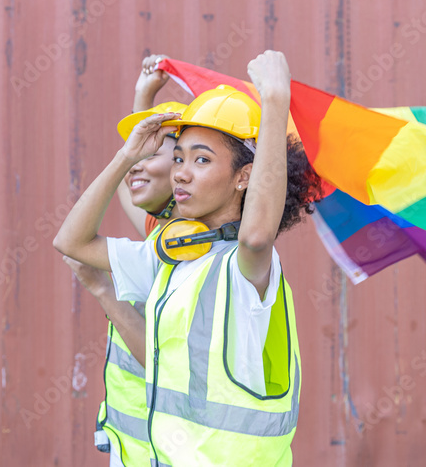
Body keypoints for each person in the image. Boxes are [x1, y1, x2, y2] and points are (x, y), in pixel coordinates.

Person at [53, 50, 322, 466]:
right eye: (178, 159)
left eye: (201, 160)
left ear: (243, 177)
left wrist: (275, 100)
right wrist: (128, 155)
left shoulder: (243, 265)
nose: (180, 172)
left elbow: (255, 236)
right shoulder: (173, 256)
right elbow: (71, 241)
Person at [62, 55, 184, 466]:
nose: (137, 164)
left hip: (165, 450)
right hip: (142, 445)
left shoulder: (189, 249)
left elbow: (162, 362)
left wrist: (100, 287)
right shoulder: (165, 234)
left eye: (154, 154)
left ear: (184, 170)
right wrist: (144, 96)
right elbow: (127, 185)